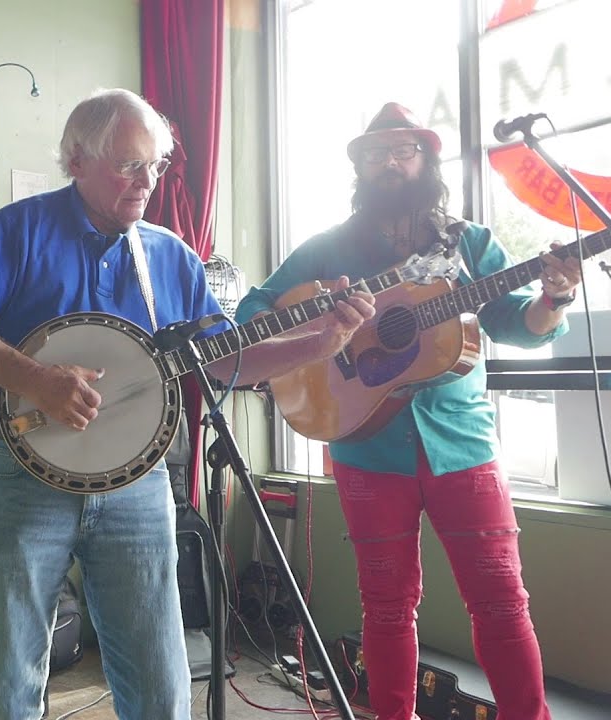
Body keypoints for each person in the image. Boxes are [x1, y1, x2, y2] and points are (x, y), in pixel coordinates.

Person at [0, 88, 374, 720]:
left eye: (156, 166)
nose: (147, 181)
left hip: (137, 482)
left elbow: (224, 360)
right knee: (11, 670)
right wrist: (38, 379)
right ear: (77, 160)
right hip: (26, 474)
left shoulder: (168, 255)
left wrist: (321, 341)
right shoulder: (19, 230)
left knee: (159, 677)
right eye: (129, 164)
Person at [235, 102, 581, 720]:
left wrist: (554, 298)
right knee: (387, 605)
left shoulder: (469, 242)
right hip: (365, 446)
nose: (390, 162)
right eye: (376, 153)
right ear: (360, 169)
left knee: (501, 600)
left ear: (426, 159)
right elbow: (253, 311)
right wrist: (317, 334)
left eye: (403, 150)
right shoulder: (330, 249)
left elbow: (517, 323)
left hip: (462, 444)